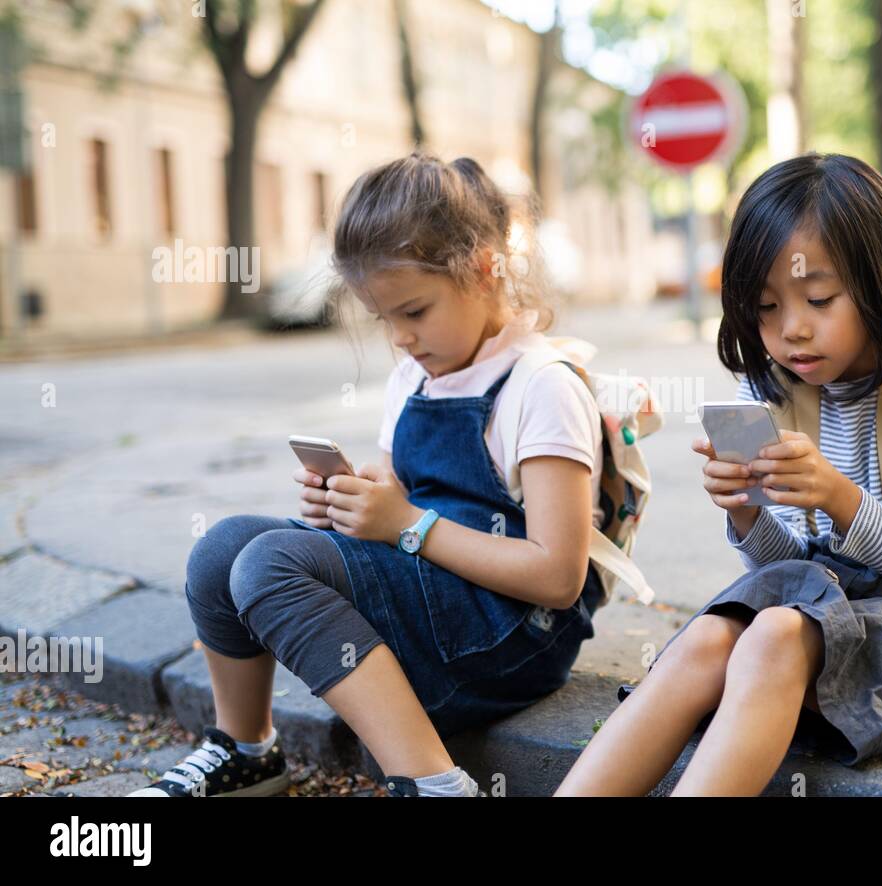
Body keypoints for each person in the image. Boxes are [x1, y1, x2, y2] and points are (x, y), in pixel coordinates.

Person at [132, 154, 604, 798]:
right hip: (435, 604)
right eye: (384, 319)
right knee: (225, 547)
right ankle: (247, 750)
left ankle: (435, 785)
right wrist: (359, 503)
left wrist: (406, 524)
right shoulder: (418, 374)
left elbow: (557, 577)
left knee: (268, 565)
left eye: (414, 311)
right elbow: (408, 504)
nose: (401, 340)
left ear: (486, 268)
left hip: (510, 640)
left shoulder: (542, 387)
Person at [556, 152, 882, 796]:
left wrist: (841, 498)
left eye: (819, 298)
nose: (792, 330)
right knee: (711, 636)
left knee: (773, 634)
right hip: (813, 624)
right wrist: (745, 512)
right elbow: (791, 569)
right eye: (766, 308)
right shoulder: (778, 389)